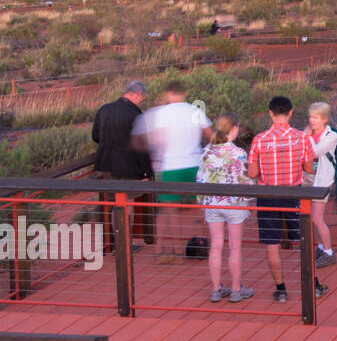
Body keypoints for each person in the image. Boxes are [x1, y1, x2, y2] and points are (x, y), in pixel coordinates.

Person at [246, 95, 322, 301]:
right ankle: (313, 284)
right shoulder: (301, 137)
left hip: (268, 196)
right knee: (303, 241)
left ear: (270, 113)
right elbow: (308, 168)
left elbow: (252, 174)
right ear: (290, 112)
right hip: (294, 195)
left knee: (272, 244)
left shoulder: (259, 140)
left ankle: (281, 289)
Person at [131, 80, 212, 264]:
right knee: (202, 207)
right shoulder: (195, 111)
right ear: (184, 93)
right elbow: (210, 135)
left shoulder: (162, 113)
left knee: (169, 209)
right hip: (194, 163)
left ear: (169, 93)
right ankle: (210, 245)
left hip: (171, 165)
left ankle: (173, 250)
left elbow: (157, 139)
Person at [196, 113, 255, 303]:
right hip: (234, 204)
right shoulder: (239, 153)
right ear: (235, 128)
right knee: (235, 248)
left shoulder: (206, 152)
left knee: (216, 246)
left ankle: (216, 289)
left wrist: (202, 202)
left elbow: (200, 180)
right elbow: (246, 181)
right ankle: (237, 290)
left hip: (212, 203)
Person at [91, 81, 154, 252]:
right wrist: (146, 172)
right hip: (129, 167)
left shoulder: (104, 109)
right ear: (136, 94)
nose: (142, 102)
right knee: (128, 204)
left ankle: (118, 243)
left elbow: (96, 136)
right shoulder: (136, 114)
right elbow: (141, 147)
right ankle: (126, 244)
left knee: (116, 205)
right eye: (142, 99)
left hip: (107, 165)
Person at [304, 102, 337, 269]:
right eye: (310, 117)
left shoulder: (330, 136)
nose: (312, 121)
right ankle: (320, 247)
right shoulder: (313, 134)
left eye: (315, 118)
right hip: (309, 180)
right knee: (312, 218)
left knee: (317, 218)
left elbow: (315, 152)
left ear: (324, 119)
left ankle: (329, 252)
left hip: (322, 182)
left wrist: (307, 136)